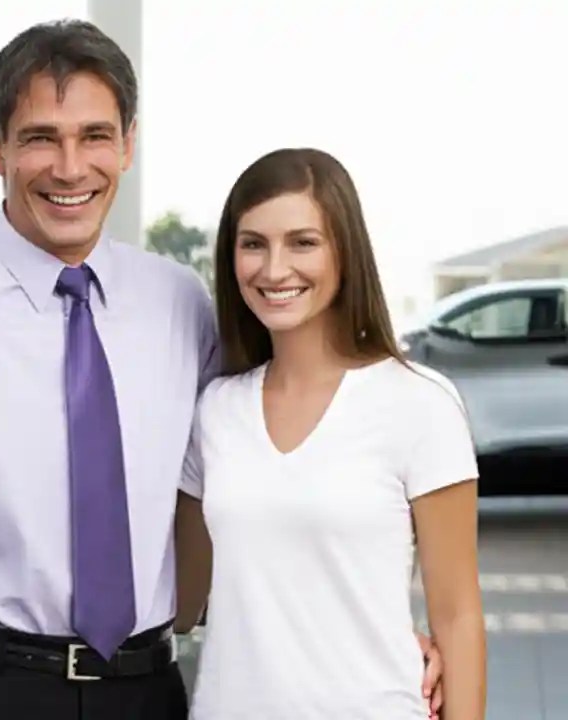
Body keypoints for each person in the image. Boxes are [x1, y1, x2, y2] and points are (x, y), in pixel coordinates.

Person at [0, 19, 443, 720]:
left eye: (94, 136)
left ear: (127, 144)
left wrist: (372, 642)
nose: (70, 168)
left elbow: (262, 482)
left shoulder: (178, 300)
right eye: (40, 138)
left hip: (144, 690)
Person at [174, 148, 486, 719]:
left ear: (345, 250)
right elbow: (179, 602)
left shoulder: (420, 405)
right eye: (253, 244)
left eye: (303, 242)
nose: (274, 269)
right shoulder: (215, 410)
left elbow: (458, 616)